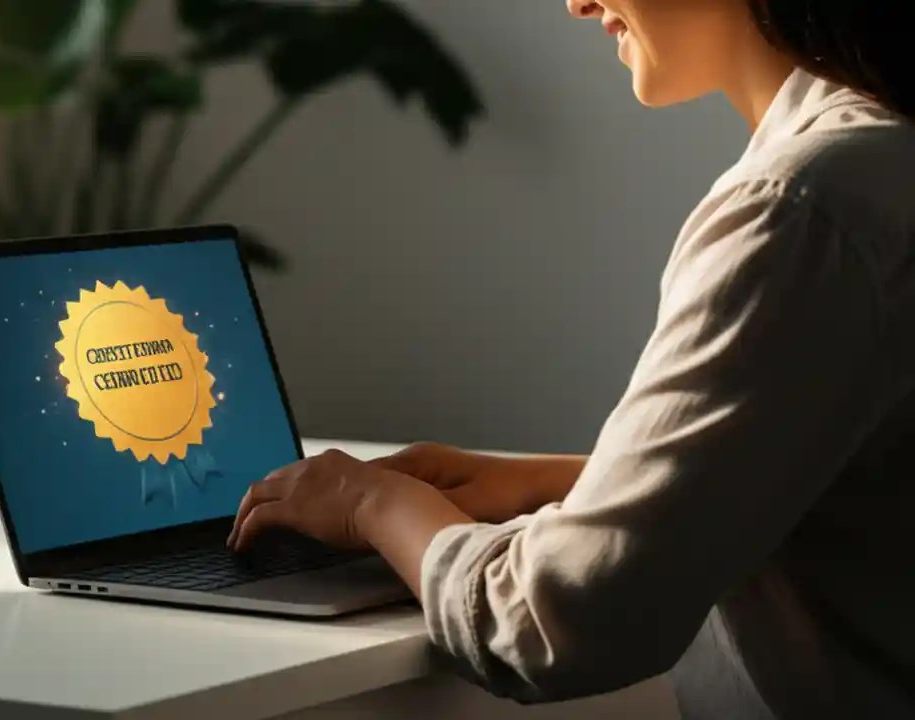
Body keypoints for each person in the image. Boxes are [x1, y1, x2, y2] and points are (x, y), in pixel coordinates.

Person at [227, 1, 915, 717]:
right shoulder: (878, 163)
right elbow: (853, 489)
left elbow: (561, 622)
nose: (577, 1)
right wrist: (552, 485)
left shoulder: (802, 208)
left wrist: (372, 504)